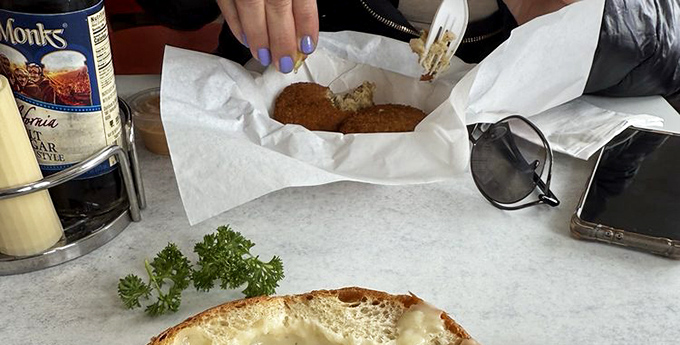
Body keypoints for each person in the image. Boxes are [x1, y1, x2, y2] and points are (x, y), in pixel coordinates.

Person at [134, 0, 680, 96]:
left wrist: (612, 21)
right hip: (259, 146)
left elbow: (670, 59)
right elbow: (178, 10)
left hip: (511, 186)